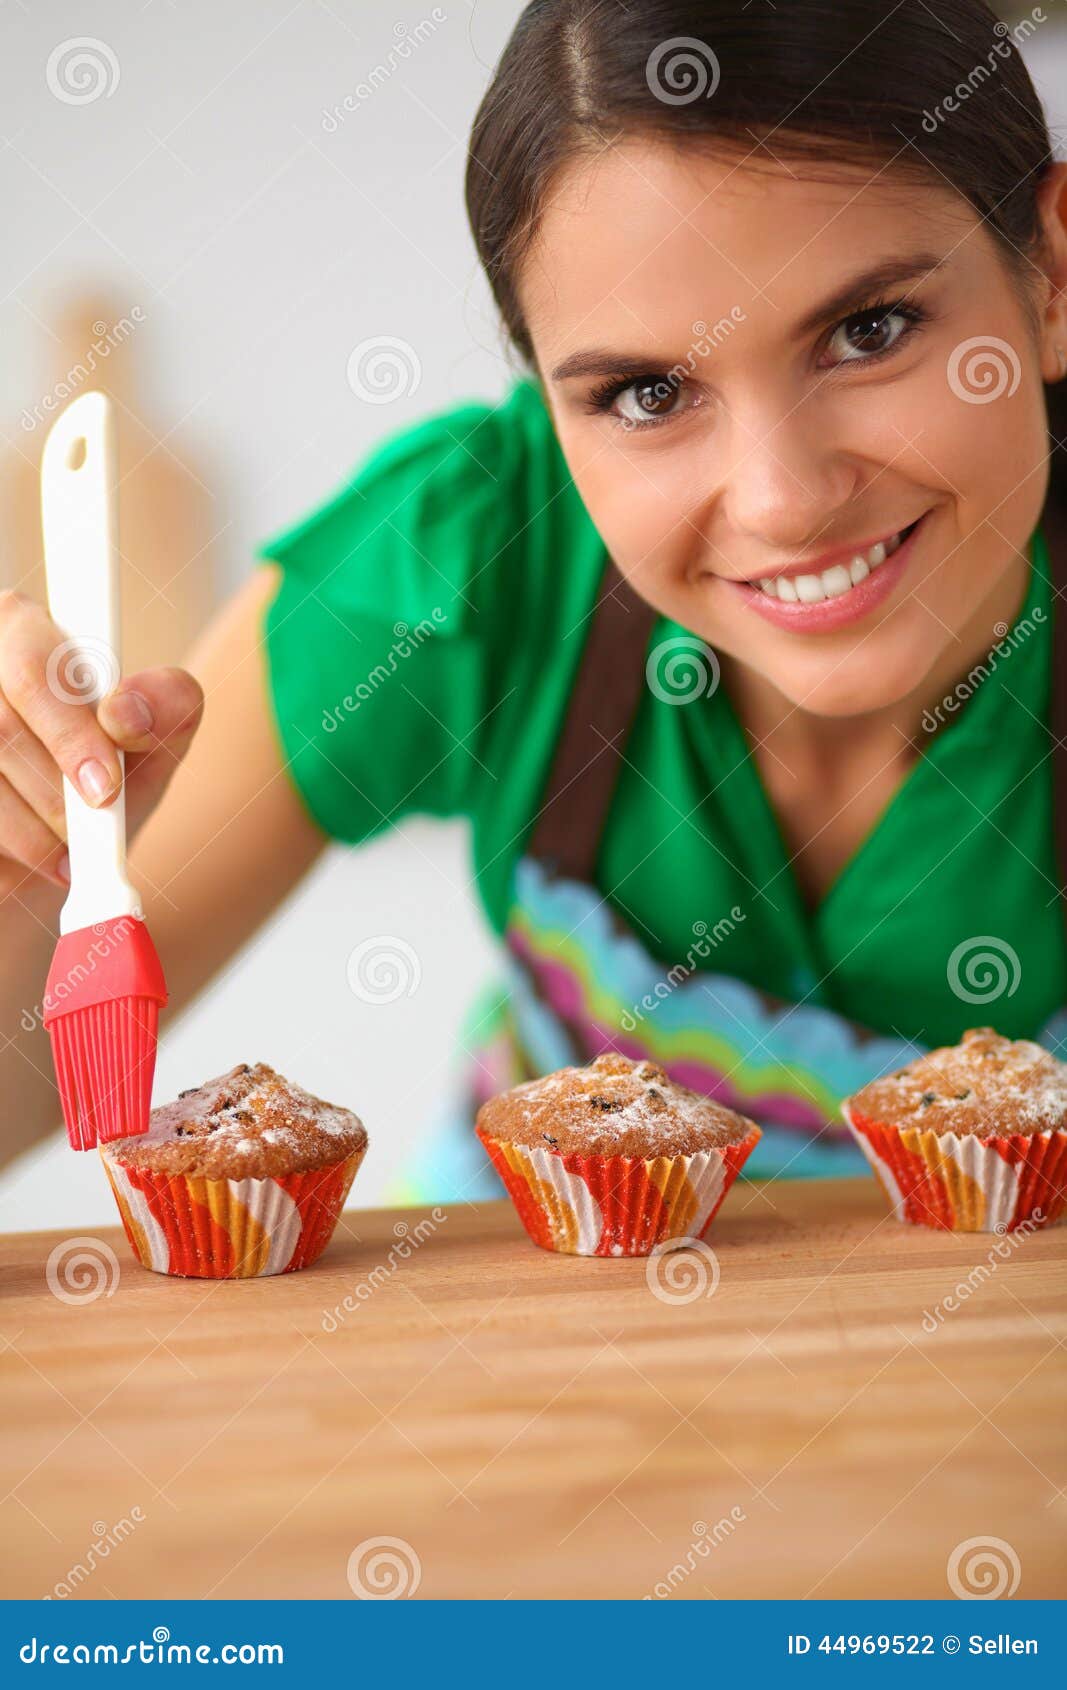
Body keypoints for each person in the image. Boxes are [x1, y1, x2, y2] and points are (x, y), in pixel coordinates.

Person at [1, 0, 1065, 1198]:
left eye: (868, 331)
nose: (779, 501)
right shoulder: (471, 548)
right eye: (646, 395)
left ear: (1051, 274)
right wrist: (20, 872)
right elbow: (29, 1069)